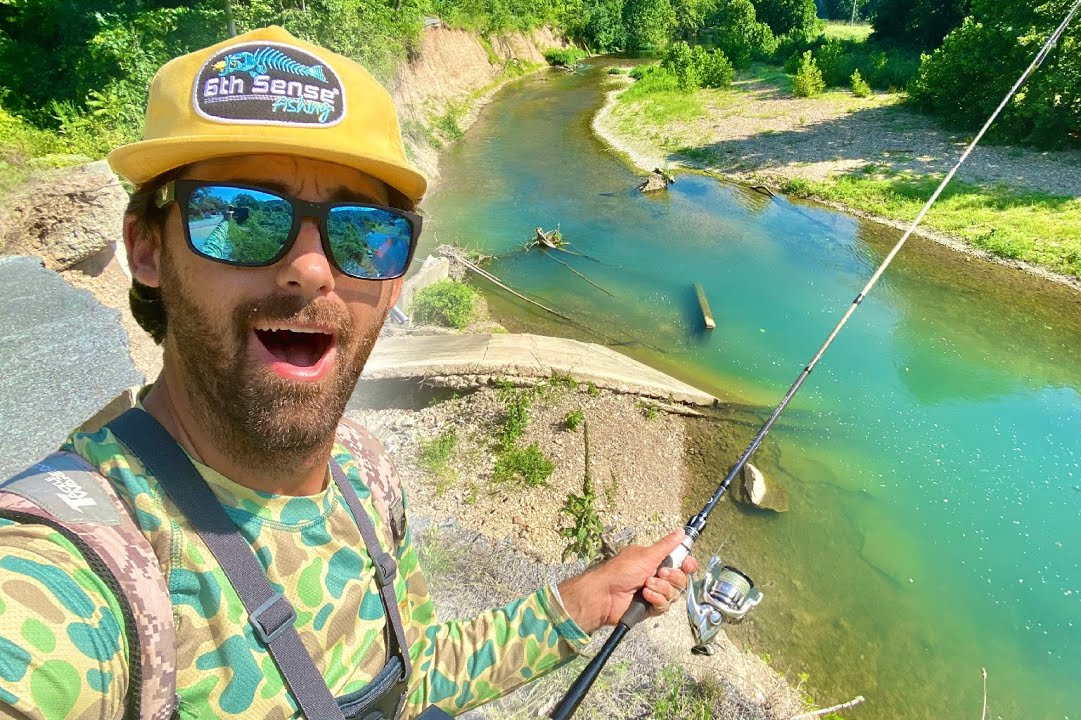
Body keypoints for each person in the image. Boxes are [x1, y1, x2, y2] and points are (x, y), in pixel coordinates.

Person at [0, 26, 696, 719]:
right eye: (241, 216)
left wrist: (579, 604)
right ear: (147, 249)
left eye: (363, 232)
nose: (309, 269)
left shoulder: (364, 472)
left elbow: (411, 672)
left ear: (393, 283)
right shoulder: (72, 576)